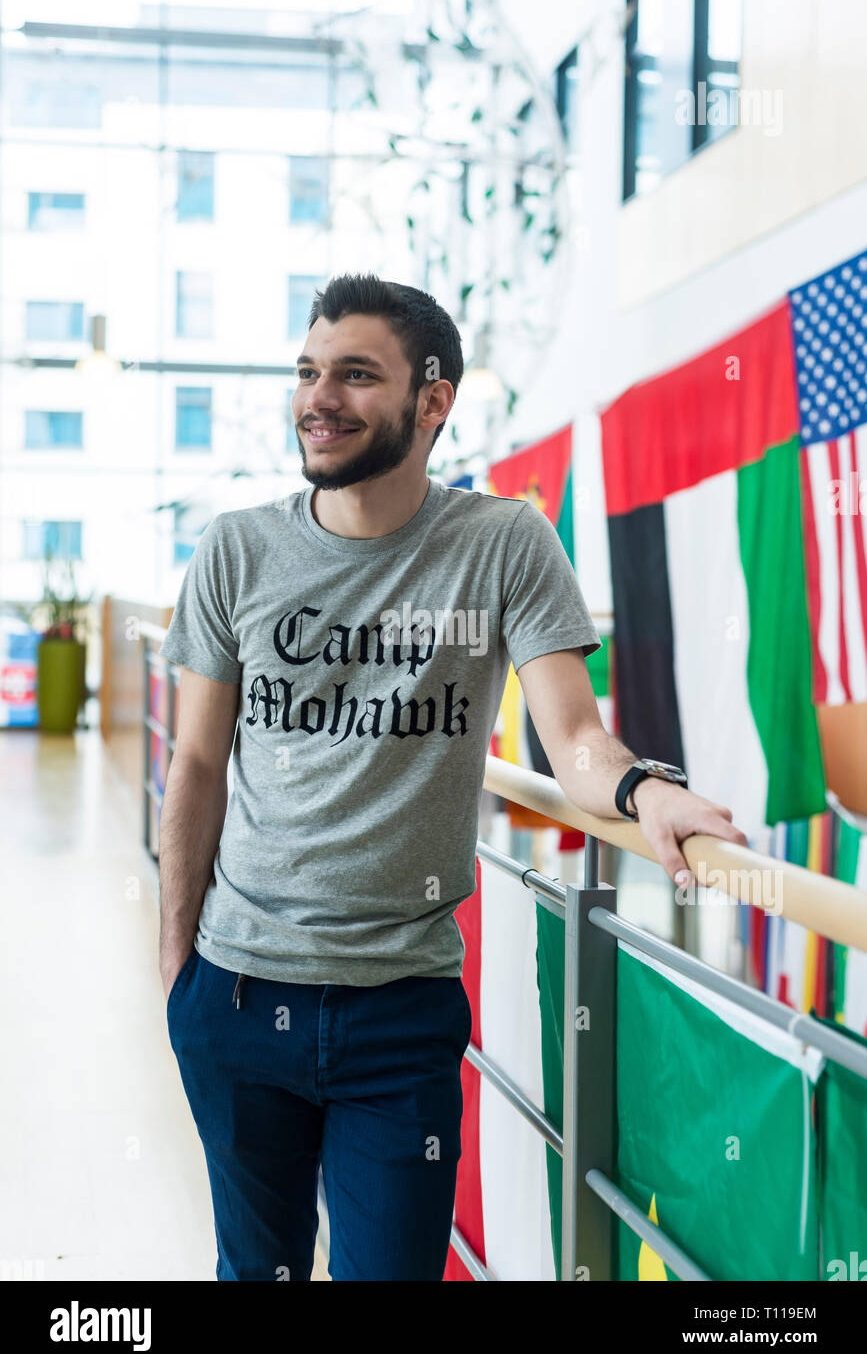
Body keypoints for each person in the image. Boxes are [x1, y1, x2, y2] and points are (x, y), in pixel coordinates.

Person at [158, 272, 748, 1282]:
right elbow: (199, 763)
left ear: (433, 402)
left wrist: (649, 791)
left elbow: (575, 739)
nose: (318, 398)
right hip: (240, 994)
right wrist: (178, 977)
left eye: (355, 374)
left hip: (400, 1009)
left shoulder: (502, 543)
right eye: (307, 372)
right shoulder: (238, 550)